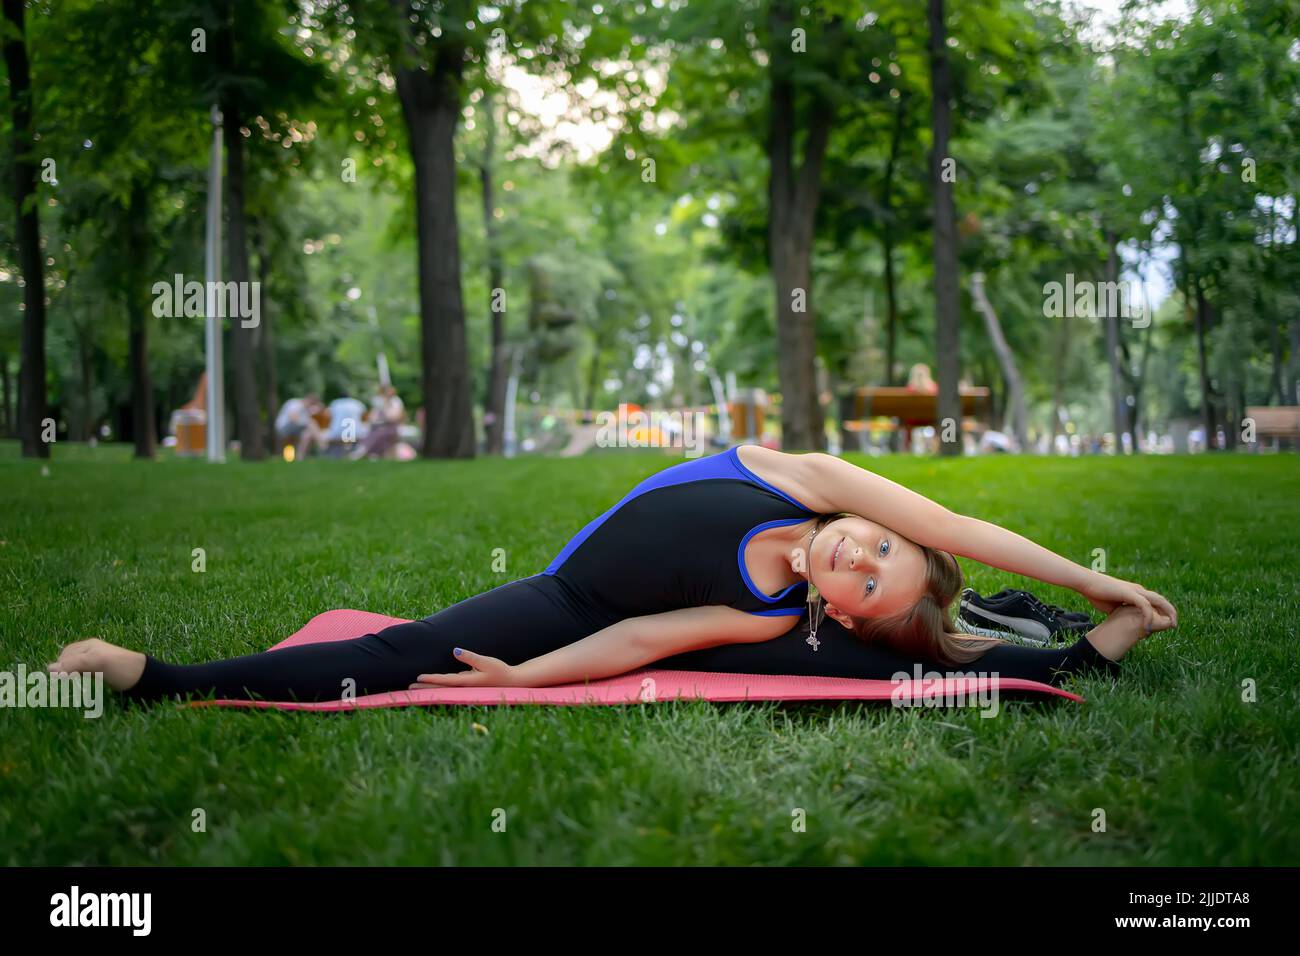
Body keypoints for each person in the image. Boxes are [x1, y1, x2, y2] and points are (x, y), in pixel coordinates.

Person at [48, 445, 1177, 703]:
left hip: (579, 608)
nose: (860, 553)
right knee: (953, 588)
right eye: (878, 543)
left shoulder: (766, 608)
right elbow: (961, 521)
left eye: (867, 576)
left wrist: (515, 682)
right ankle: (1054, 619)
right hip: (565, 577)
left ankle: (157, 674)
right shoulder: (799, 473)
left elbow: (639, 644)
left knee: (400, 654)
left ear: (840, 601)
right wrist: (1088, 575)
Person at [349, 385, 405, 460]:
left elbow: (393, 418)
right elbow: (372, 418)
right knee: (373, 433)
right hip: (378, 428)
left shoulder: (395, 402)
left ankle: (364, 450)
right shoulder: (380, 403)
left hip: (390, 428)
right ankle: (369, 452)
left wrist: (385, 407)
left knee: (377, 434)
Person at [275, 394, 328, 461]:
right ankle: (323, 445)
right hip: (284, 428)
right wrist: (307, 421)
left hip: (293, 429)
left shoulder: (304, 409)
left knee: (307, 434)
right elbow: (293, 418)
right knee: (311, 423)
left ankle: (300, 457)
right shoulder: (295, 403)